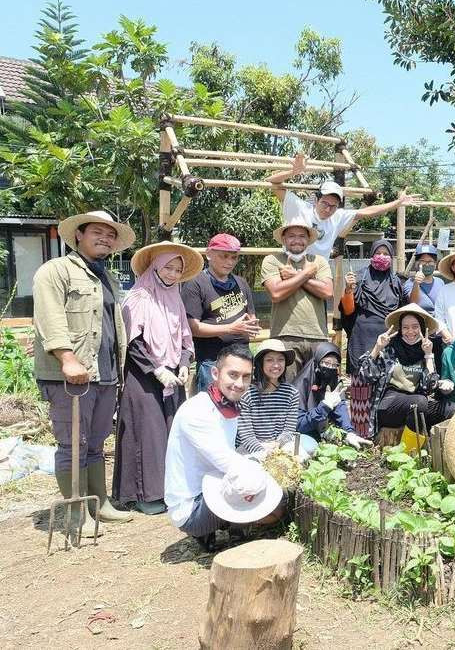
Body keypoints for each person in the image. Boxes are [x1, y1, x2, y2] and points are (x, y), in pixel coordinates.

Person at [33, 211, 136, 535]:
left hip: (103, 373)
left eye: (110, 234)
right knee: (72, 445)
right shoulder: (55, 271)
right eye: (97, 232)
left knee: (95, 444)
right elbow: (49, 317)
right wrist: (66, 357)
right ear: (78, 235)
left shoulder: (107, 277)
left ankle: (99, 503)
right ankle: (76, 514)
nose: (105, 238)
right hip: (70, 376)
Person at [164, 344, 283, 552]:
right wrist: (266, 460)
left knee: (268, 491)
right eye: (233, 375)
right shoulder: (198, 411)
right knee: (276, 506)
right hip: (192, 509)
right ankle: (215, 528)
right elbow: (229, 463)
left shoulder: (226, 404)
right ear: (215, 373)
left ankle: (231, 525)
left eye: (246, 377)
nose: (239, 383)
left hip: (211, 486)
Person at [113, 241, 201, 515]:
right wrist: (157, 370)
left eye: (178, 269)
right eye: (168, 268)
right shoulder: (139, 298)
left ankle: (169, 490)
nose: (173, 274)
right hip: (144, 377)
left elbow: (184, 337)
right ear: (155, 268)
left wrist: (184, 363)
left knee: (171, 432)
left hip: (173, 376)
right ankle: (143, 494)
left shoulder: (175, 298)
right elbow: (133, 343)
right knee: (147, 434)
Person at [267, 153, 421, 259]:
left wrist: (398, 203)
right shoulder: (299, 207)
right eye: (325, 203)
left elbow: (368, 212)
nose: (328, 209)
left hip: (317, 272)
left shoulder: (338, 216)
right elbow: (272, 182)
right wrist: (294, 171)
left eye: (333, 206)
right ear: (316, 200)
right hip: (291, 266)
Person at [356, 304, 455, 436]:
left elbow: (429, 387)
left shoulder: (426, 349)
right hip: (389, 403)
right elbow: (365, 377)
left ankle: (440, 445)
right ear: (400, 329)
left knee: (452, 409)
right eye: (405, 327)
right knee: (419, 402)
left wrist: (428, 355)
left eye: (415, 327)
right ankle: (411, 448)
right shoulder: (389, 348)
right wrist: (377, 348)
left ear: (422, 328)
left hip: (417, 402)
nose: (410, 331)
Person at [182, 233, 260, 392]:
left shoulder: (241, 283)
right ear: (209, 254)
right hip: (213, 361)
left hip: (242, 359)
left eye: (234, 257)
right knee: (212, 410)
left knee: (242, 411)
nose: (229, 262)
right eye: (224, 256)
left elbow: (251, 315)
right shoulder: (195, 283)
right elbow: (192, 327)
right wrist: (231, 328)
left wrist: (252, 324)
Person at [261, 216, 335, 377]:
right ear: (283, 239)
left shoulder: (318, 261)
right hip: (285, 336)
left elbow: (327, 292)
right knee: (289, 390)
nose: (297, 240)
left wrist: (295, 275)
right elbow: (276, 293)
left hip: (318, 336)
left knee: (318, 388)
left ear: (308, 240)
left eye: (302, 236)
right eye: (291, 236)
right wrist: (307, 274)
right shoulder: (272, 260)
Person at [341, 239, 406, 374]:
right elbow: (348, 311)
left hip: (388, 340)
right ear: (372, 255)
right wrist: (348, 289)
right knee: (362, 384)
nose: (381, 256)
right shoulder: (358, 277)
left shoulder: (396, 282)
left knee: (387, 384)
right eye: (378, 253)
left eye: (385, 253)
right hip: (361, 340)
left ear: (391, 257)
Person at [234, 339, 301, 456]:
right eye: (269, 360)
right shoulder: (246, 394)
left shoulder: (291, 393)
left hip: (278, 445)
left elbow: (289, 430)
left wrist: (277, 444)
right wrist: (264, 453)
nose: (276, 365)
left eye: (281, 360)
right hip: (249, 446)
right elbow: (246, 435)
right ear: (261, 363)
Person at [292, 343, 361, 444]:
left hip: (321, 431)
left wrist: (349, 431)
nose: (330, 368)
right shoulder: (300, 385)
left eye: (334, 365)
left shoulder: (333, 380)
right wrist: (325, 406)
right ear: (317, 362)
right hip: (299, 435)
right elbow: (299, 425)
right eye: (326, 363)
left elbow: (340, 406)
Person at [404, 243, 445, 312]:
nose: (427, 264)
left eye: (430, 261)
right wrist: (416, 284)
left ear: (435, 264)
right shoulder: (410, 283)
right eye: (422, 261)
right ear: (416, 263)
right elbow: (413, 304)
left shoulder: (440, 282)